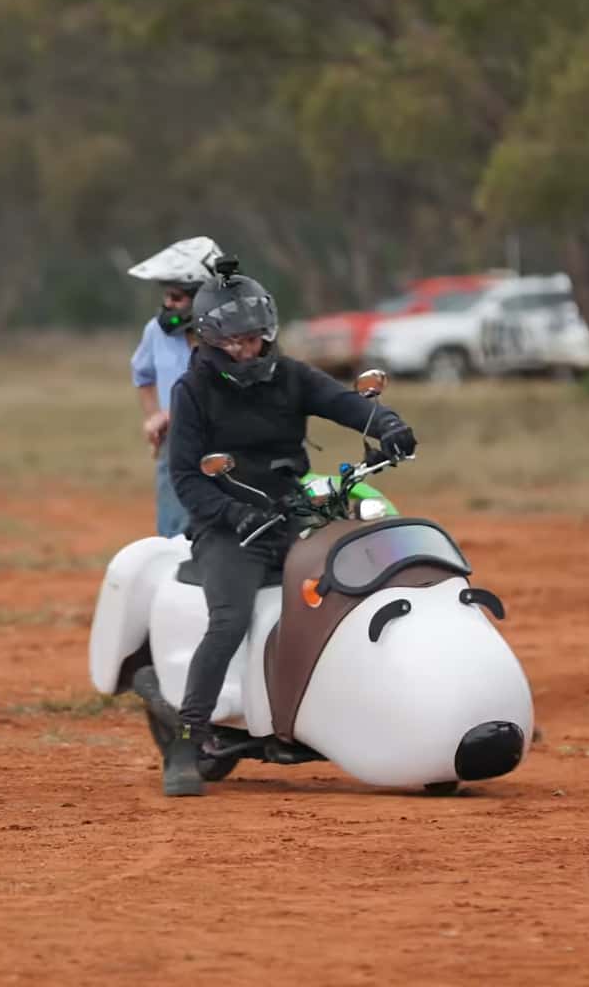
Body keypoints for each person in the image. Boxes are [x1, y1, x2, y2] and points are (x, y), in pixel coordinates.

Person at [160, 260, 417, 796]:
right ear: (210, 339)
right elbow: (186, 478)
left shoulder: (290, 375)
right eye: (235, 342)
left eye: (255, 338)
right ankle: (187, 740)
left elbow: (344, 403)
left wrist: (388, 425)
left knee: (372, 584)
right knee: (228, 621)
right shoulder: (192, 391)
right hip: (229, 524)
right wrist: (234, 513)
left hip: (295, 509)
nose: (248, 349)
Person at [128, 237, 219, 537]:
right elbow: (143, 376)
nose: (168, 304)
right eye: (167, 296)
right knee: (174, 532)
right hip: (177, 445)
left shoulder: (232, 335)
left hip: (224, 442)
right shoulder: (156, 331)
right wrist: (155, 416)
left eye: (177, 298)